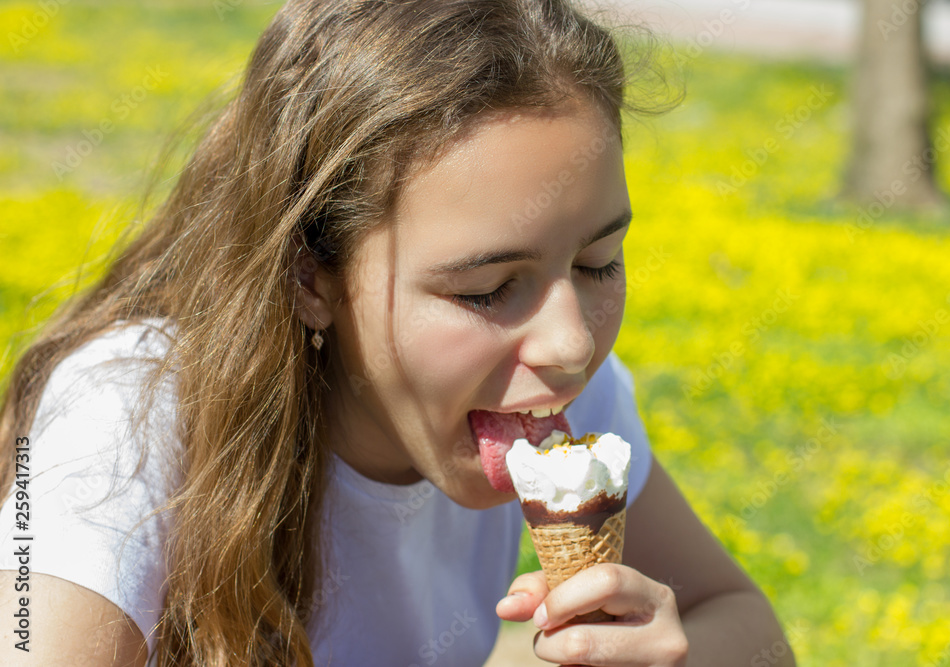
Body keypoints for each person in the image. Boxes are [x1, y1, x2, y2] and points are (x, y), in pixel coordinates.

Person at [0, 0, 795, 665]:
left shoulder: (563, 405)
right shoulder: (123, 415)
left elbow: (749, 625)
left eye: (598, 263)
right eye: (486, 289)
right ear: (311, 276)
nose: (571, 346)